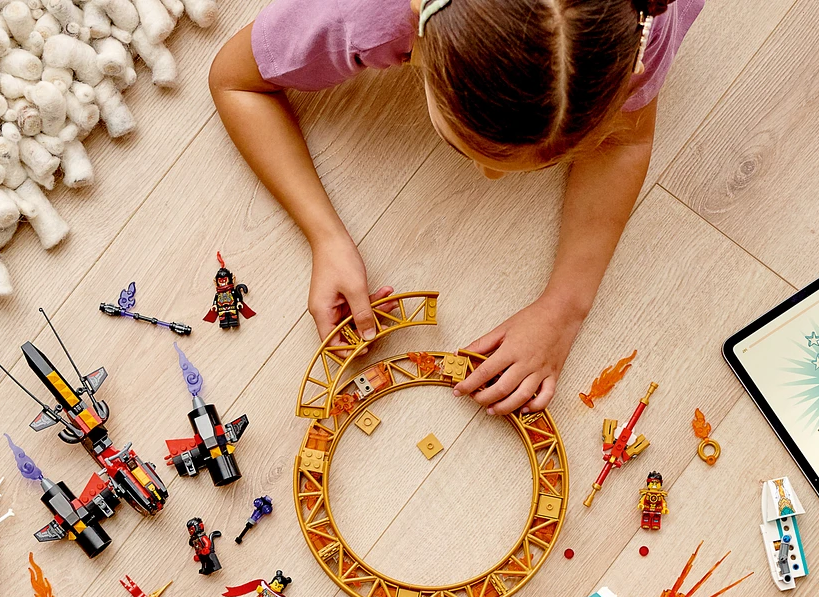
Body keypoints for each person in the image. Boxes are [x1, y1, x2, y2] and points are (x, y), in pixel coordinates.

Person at [210, 0, 704, 414]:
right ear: (417, 38)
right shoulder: (362, 13)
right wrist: (325, 235)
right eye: (460, 146)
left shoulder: (637, 31)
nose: (489, 177)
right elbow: (234, 80)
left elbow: (624, 142)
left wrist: (566, 306)